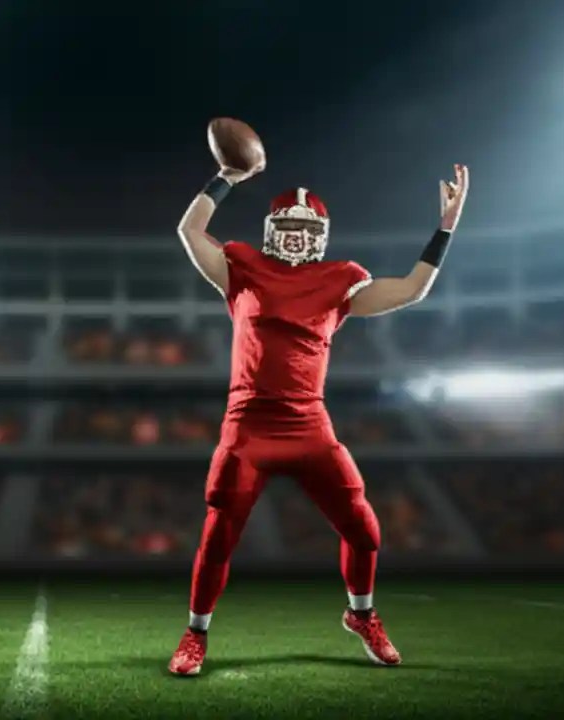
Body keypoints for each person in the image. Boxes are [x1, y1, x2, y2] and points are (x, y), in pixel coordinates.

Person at [167, 156, 470, 675]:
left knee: (365, 531)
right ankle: (195, 634)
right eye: (287, 226)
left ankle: (362, 615)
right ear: (269, 231)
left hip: (309, 425)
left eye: (308, 230)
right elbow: (189, 230)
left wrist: (446, 226)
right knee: (219, 534)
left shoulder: (339, 280)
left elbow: (413, 288)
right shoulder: (241, 267)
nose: (298, 237)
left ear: (324, 235)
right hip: (248, 426)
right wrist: (227, 179)